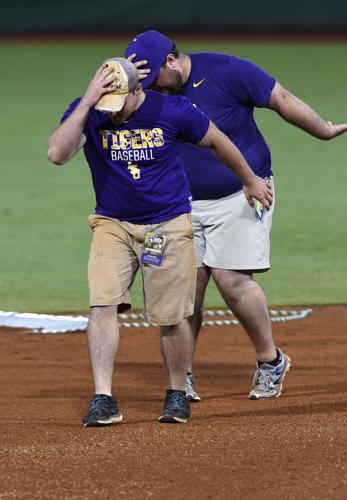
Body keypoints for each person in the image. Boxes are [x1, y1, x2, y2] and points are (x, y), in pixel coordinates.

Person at [124, 30, 347, 401]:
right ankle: (180, 376)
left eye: (153, 74)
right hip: (179, 204)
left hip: (242, 192)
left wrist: (325, 130)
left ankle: (270, 360)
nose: (149, 84)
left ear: (172, 60)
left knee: (231, 280)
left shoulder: (226, 70)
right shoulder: (144, 93)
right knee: (187, 291)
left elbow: (280, 98)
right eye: (142, 77)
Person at [47, 57, 273, 426]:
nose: (114, 114)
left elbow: (219, 141)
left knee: (171, 316)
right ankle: (103, 397)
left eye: (119, 104)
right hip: (112, 223)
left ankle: (176, 392)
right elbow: (57, 154)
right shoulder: (92, 109)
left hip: (166, 224)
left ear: (139, 89)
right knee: (102, 304)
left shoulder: (173, 110)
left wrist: (249, 179)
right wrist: (89, 101)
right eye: (108, 105)